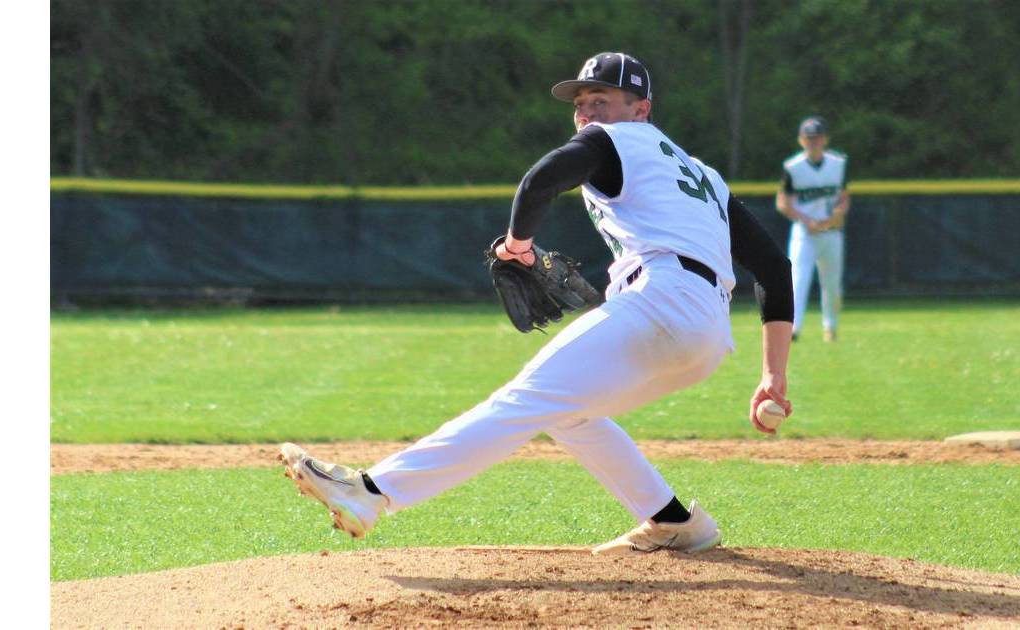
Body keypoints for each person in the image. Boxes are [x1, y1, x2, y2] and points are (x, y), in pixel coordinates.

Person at [279, 52, 795, 555]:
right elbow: (773, 268)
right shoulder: (705, 176)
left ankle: (372, 493)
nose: (587, 112)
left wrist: (517, 246)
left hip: (661, 300)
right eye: (580, 102)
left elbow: (541, 178)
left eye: (602, 98)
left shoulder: (612, 139)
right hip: (706, 335)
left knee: (525, 399)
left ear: (642, 109)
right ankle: (675, 522)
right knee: (569, 413)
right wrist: (774, 374)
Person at [775, 116, 850, 342]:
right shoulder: (793, 167)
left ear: (825, 139)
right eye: (809, 138)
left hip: (831, 232)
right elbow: (783, 203)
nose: (813, 142)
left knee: (832, 283)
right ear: (801, 140)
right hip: (804, 232)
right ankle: (794, 329)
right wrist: (808, 221)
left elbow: (844, 198)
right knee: (798, 279)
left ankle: (831, 326)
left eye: (817, 138)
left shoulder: (837, 164)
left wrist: (837, 214)